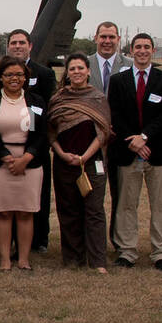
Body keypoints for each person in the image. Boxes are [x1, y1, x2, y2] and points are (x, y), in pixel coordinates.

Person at [107, 32, 162, 271]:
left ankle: (161, 253)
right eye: (138, 47)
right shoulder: (118, 80)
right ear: (131, 50)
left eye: (147, 47)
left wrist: (144, 137)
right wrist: (133, 141)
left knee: (161, 204)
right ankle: (127, 251)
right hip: (127, 152)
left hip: (156, 153)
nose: (143, 51)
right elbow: (114, 114)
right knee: (126, 203)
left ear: (153, 50)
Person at [0, 55, 47, 271]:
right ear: (1, 77)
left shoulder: (35, 102)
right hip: (0, 164)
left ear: (26, 77)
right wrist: (5, 156)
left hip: (29, 164)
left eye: (19, 74)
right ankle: (5, 259)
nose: (14, 79)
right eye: (9, 75)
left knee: (26, 212)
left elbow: (40, 134)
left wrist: (26, 158)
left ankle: (24, 259)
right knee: (3, 212)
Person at [48, 52, 113, 273]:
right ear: (67, 72)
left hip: (92, 161)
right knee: (68, 210)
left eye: (80, 68)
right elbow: (51, 132)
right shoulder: (57, 98)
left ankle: (98, 262)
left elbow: (103, 131)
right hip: (63, 161)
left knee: (94, 211)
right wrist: (61, 153)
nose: (76, 72)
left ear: (88, 71)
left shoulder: (98, 98)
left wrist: (85, 156)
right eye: (72, 69)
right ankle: (73, 258)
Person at [6, 28, 56, 252]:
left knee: (39, 194)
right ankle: (7, 235)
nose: (18, 46)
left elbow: (48, 109)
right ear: (8, 47)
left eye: (21, 43)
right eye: (14, 43)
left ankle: (40, 239)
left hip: (36, 144)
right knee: (9, 194)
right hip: (9, 141)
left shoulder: (44, 74)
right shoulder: (4, 71)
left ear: (30, 46)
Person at [87, 19, 128, 246]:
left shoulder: (130, 65)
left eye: (112, 37)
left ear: (118, 39)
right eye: (103, 36)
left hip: (121, 141)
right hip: (91, 142)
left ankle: (119, 241)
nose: (107, 41)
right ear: (96, 38)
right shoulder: (83, 64)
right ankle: (93, 241)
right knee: (93, 195)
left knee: (121, 195)